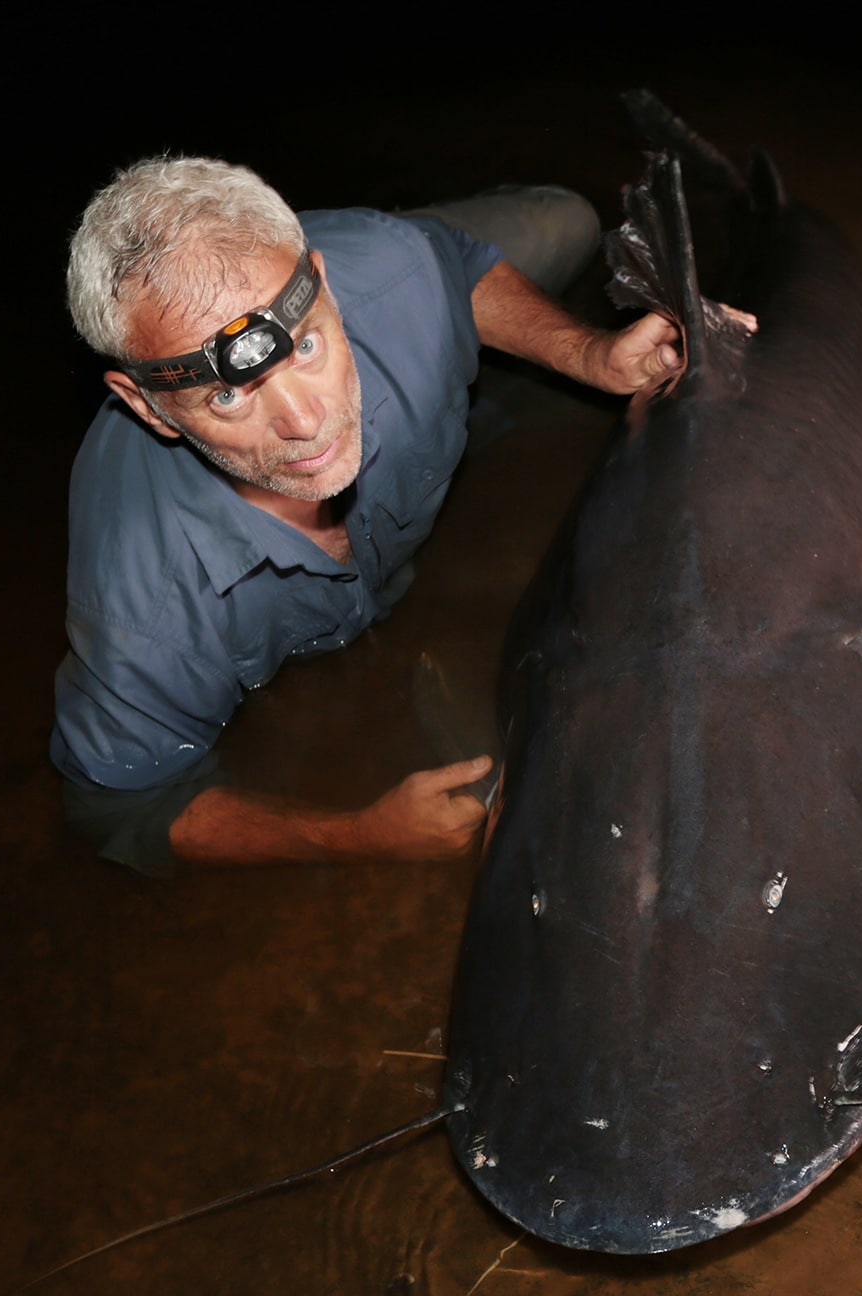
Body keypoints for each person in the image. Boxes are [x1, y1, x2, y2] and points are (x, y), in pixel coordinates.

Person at [52, 156, 684, 878]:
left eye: (308, 346)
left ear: (324, 282)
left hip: (388, 256)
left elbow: (455, 265)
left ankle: (407, 247)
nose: (305, 421)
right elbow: (120, 806)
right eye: (228, 397)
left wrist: (592, 354)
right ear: (148, 407)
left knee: (569, 214)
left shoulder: (391, 277)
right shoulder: (146, 608)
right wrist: (361, 834)